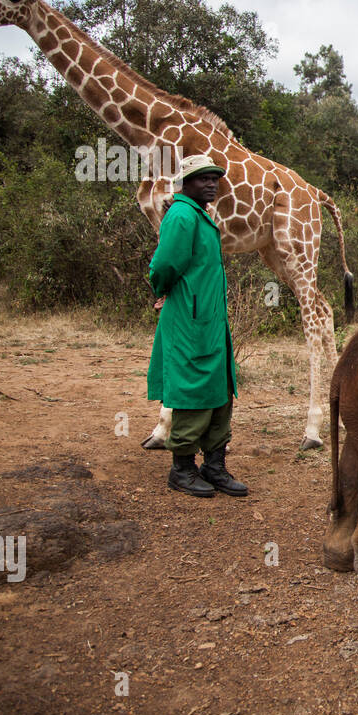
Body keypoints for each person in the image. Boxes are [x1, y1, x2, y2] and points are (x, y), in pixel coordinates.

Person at [147, 154, 249, 498]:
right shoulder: (181, 215)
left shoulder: (199, 215)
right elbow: (163, 265)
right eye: (202, 178)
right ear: (185, 183)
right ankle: (182, 469)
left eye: (214, 178)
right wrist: (163, 290)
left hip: (209, 321)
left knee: (220, 388)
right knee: (193, 390)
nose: (211, 183)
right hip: (190, 322)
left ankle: (214, 466)